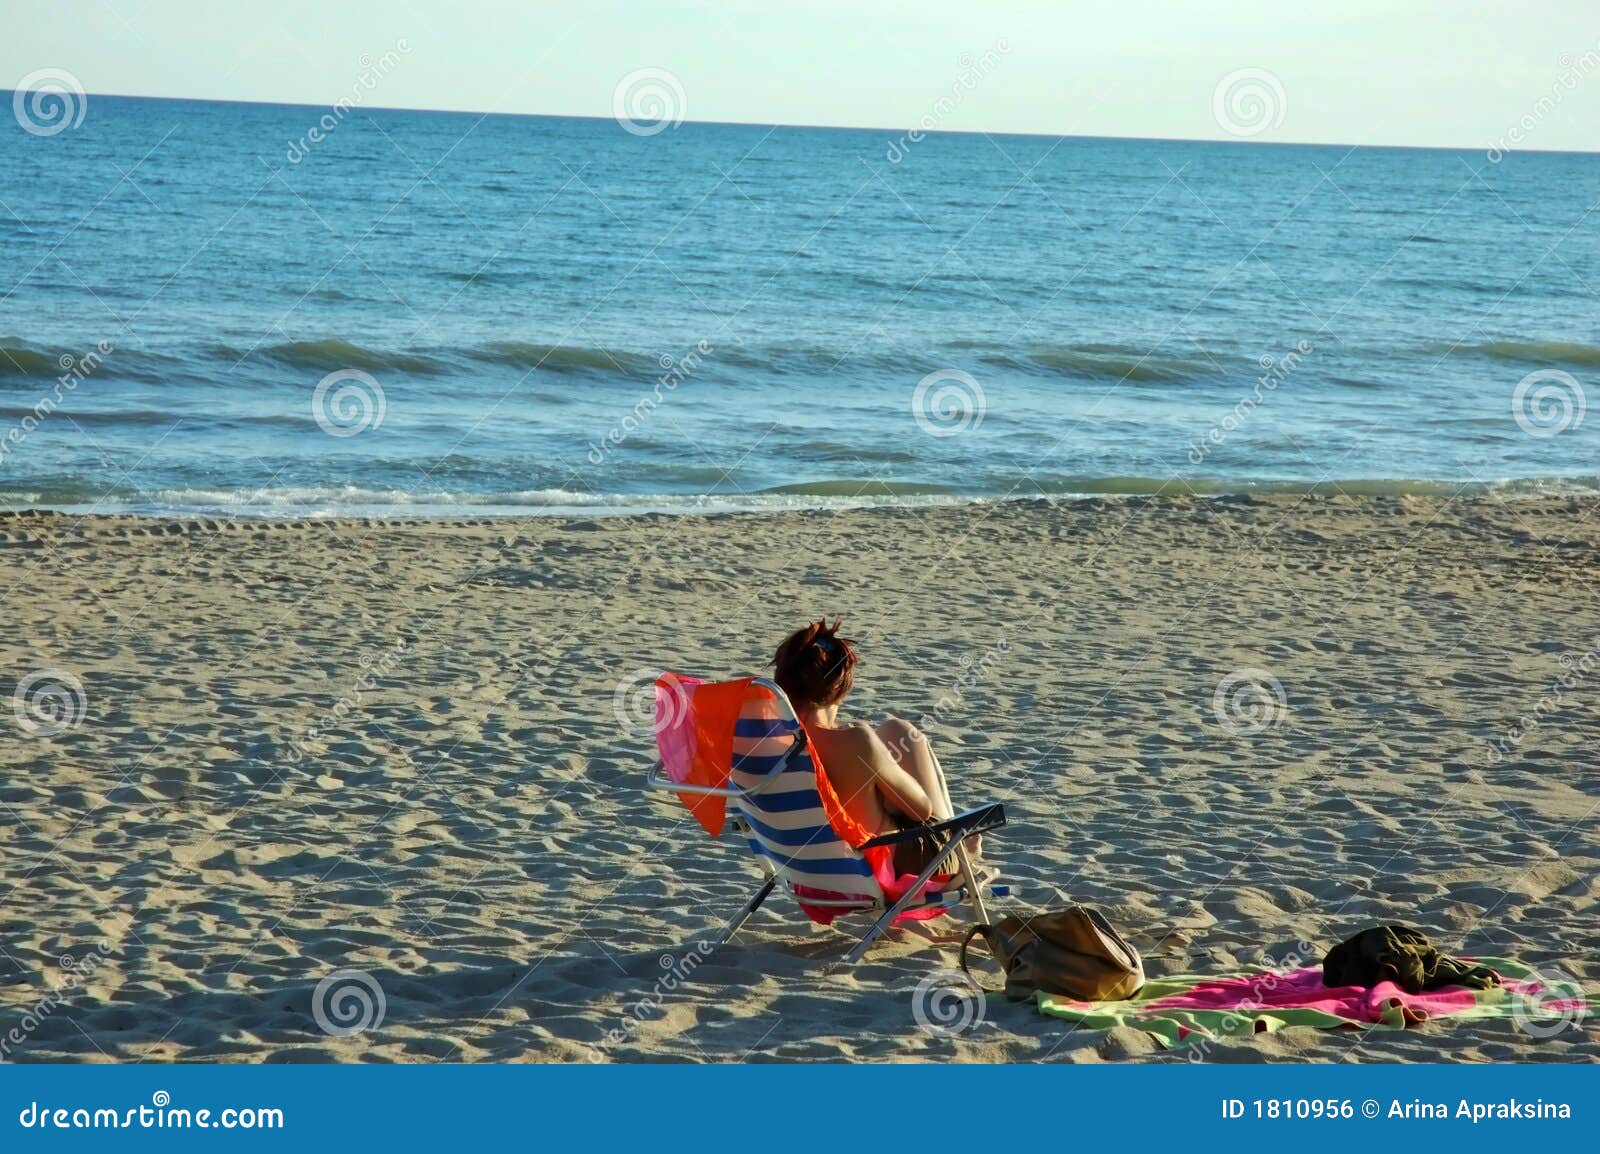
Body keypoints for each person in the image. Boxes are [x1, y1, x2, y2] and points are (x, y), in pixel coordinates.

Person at [771, 618, 976, 864]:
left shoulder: (767, 743)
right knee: (903, 740)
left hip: (808, 866)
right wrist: (883, 766)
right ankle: (963, 854)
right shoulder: (857, 741)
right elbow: (921, 809)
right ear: (838, 688)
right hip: (886, 863)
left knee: (896, 731)